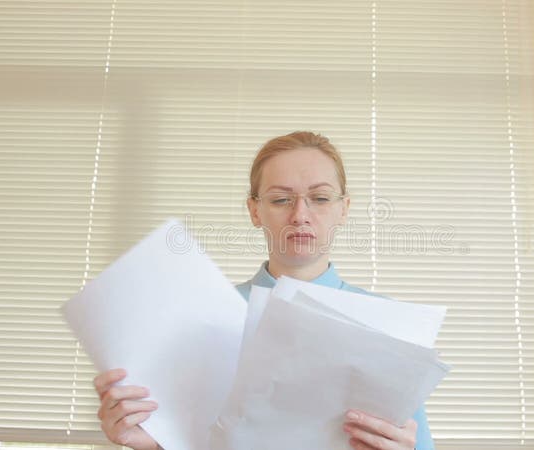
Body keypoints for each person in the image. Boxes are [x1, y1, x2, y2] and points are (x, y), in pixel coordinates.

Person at [92, 131, 435, 450]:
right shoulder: (202, 317)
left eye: (320, 197)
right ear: (255, 210)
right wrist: (154, 444)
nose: (301, 215)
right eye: (281, 199)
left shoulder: (389, 323)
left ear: (343, 209)